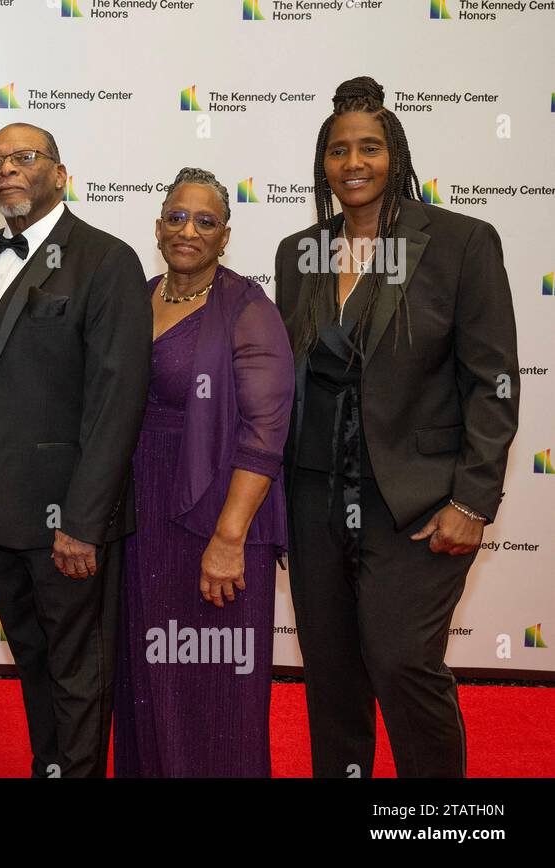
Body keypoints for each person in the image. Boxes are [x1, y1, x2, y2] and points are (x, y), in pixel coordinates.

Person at [275, 76, 520, 778]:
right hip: (315, 498)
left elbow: (492, 382)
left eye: (370, 148)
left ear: (396, 153)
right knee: (331, 673)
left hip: (414, 501)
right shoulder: (299, 253)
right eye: (338, 150)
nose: (353, 162)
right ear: (322, 164)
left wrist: (473, 500)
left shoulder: (459, 242)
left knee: (400, 660)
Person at [0, 123, 150, 778]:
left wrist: (83, 524)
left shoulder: (106, 260)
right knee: (33, 665)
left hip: (68, 525)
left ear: (60, 175)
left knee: (78, 680)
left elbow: (117, 403)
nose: (7, 169)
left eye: (25, 157)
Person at [113, 168, 293, 778]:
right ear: (158, 227)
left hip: (216, 512)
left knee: (215, 688)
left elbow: (267, 432)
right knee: (151, 678)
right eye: (176, 217)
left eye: (206, 221)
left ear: (225, 235)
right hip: (142, 516)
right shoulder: (136, 297)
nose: (188, 229)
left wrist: (228, 538)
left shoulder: (246, 308)